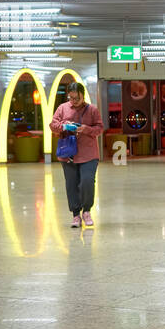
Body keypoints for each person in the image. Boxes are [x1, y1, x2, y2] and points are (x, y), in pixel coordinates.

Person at [48, 81, 103, 228]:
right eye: (71, 98)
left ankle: (86, 211)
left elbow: (99, 128)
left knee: (87, 181)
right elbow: (52, 125)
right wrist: (64, 126)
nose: (73, 101)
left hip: (89, 153)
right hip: (68, 153)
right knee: (71, 184)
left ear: (82, 96)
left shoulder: (92, 110)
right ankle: (76, 215)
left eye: (76, 98)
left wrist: (85, 129)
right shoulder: (62, 108)